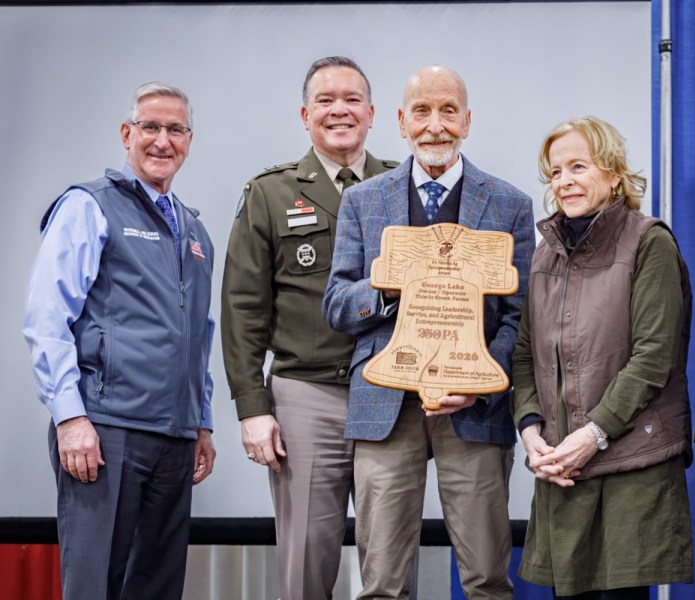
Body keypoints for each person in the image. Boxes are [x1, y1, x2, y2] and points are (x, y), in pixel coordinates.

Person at [322, 64, 535, 599]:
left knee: (487, 577)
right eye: (421, 111)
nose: (434, 125)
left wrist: (481, 379)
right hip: (385, 405)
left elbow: (519, 317)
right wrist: (393, 287)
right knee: (382, 584)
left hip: (474, 407)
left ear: (467, 120)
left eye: (447, 111)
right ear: (400, 121)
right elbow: (336, 304)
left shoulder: (510, 204)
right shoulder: (363, 201)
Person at [22, 81, 215, 600]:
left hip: (174, 438)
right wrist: (70, 417)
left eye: (175, 129)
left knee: (156, 587)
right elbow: (46, 319)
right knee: (94, 586)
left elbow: (198, 333)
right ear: (127, 134)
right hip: (105, 433)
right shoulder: (90, 206)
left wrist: (201, 420)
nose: (161, 140)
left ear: (189, 141)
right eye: (150, 127)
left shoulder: (196, 232)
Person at [220, 56, 399, 600]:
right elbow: (243, 307)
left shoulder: (402, 186)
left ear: (371, 114)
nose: (339, 110)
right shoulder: (270, 194)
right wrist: (253, 408)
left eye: (351, 100)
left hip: (389, 396)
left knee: (391, 563)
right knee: (305, 565)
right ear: (305, 114)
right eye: (325, 100)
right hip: (305, 396)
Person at [510, 116, 694, 599]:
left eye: (579, 166)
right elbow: (525, 355)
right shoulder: (544, 255)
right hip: (561, 469)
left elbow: (655, 357)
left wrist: (592, 435)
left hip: (630, 468)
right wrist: (532, 435)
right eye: (555, 172)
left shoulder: (649, 241)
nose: (565, 181)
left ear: (613, 173)